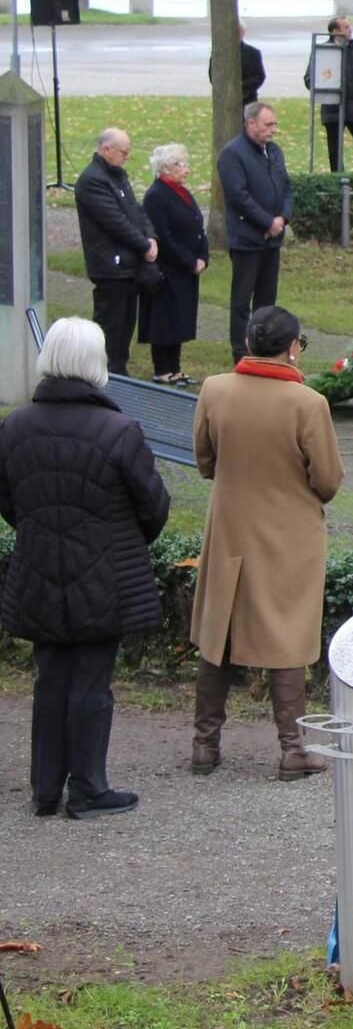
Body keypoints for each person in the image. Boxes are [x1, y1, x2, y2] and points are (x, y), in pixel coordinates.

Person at [0, 317, 170, 821]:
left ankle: (45, 788)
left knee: (50, 677)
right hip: (105, 577)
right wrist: (120, 541)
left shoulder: (14, 427)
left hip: (37, 569)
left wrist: (39, 530)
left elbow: (8, 501)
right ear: (96, 362)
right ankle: (89, 789)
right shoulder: (119, 431)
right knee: (92, 681)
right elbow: (153, 507)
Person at [189, 306, 344, 780]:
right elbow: (328, 480)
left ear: (249, 343)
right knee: (287, 634)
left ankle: (204, 745)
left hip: (230, 529)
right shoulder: (308, 404)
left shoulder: (215, 390)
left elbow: (205, 461)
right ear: (293, 347)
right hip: (289, 536)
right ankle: (292, 749)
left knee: (219, 632)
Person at [73, 126, 158, 377]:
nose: (127, 157)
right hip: (110, 265)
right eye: (123, 152)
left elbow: (136, 211)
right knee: (110, 324)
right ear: (106, 149)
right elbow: (115, 221)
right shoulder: (92, 181)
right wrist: (144, 245)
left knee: (126, 323)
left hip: (128, 265)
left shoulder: (118, 175)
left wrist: (151, 237)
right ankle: (104, 371)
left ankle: (119, 368)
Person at [218, 103, 292, 362]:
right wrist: (266, 222)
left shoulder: (274, 151)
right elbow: (239, 196)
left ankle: (266, 349)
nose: (273, 130)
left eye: (274, 124)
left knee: (267, 300)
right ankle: (241, 352)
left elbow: (286, 187)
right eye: (268, 125)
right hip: (247, 240)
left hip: (272, 240)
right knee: (242, 301)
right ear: (250, 124)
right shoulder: (233, 154)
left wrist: (282, 218)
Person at [137, 143, 209, 385]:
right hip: (168, 269)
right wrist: (189, 261)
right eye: (181, 165)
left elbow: (197, 226)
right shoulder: (156, 196)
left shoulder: (182, 192)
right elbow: (164, 237)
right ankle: (162, 369)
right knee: (164, 320)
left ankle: (175, 368)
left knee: (179, 319)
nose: (187, 169)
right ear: (165, 168)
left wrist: (203, 256)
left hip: (186, 269)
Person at [308, 17, 353, 174]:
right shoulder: (322, 50)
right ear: (335, 31)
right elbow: (309, 77)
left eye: (349, 26)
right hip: (332, 108)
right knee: (335, 152)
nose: (350, 30)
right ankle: (338, 181)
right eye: (346, 27)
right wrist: (322, 87)